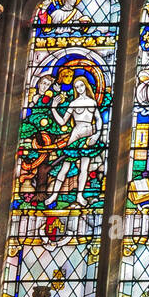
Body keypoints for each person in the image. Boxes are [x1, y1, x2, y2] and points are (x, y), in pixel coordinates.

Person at [44, 75, 102, 207]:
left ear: (86, 86)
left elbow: (98, 120)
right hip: (75, 136)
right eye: (77, 87)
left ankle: (80, 196)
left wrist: (97, 135)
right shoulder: (73, 103)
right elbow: (62, 121)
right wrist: (53, 108)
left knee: (84, 169)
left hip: (89, 136)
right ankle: (54, 195)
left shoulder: (92, 102)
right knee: (65, 168)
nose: (79, 88)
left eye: (81, 85)